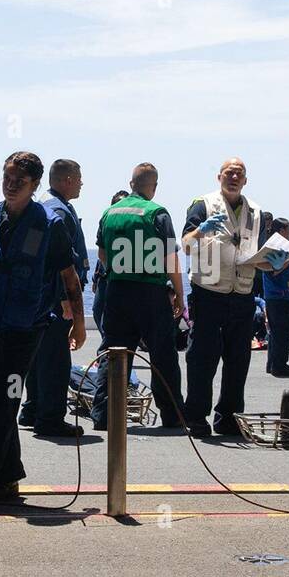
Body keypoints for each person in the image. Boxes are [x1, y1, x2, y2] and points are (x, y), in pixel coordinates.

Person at [0, 152, 86, 504]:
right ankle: (8, 478)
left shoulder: (50, 224)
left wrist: (78, 324)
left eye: (20, 181)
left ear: (34, 185)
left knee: (1, 397)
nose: (11, 185)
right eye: (7, 178)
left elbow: (69, 277)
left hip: (26, 327)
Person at [90, 164, 185, 431]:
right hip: (150, 292)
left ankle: (104, 415)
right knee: (162, 355)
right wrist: (179, 294)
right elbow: (170, 258)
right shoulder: (157, 213)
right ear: (154, 186)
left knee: (113, 353)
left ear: (131, 183)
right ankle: (172, 415)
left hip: (117, 291)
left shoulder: (109, 213)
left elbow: (102, 254)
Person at [180, 157, 270, 438]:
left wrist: (275, 262)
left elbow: (261, 253)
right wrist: (201, 230)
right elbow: (185, 245)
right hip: (208, 293)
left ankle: (229, 418)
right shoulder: (203, 205)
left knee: (238, 360)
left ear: (246, 180)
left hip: (243, 294)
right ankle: (196, 416)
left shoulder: (256, 212)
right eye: (229, 173)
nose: (234, 177)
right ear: (219, 177)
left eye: (239, 174)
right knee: (202, 358)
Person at [20, 158, 89, 438]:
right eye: (79, 178)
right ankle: (49, 418)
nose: (82, 184)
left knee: (39, 357)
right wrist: (64, 298)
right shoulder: (57, 211)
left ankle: (32, 409)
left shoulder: (45, 206)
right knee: (56, 360)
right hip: (55, 298)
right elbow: (59, 260)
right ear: (68, 180)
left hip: (40, 298)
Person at [262, 217, 289, 378]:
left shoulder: (283, 247)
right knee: (281, 333)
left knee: (276, 332)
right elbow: (272, 271)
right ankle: (280, 366)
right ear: (281, 230)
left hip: (283, 295)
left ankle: (272, 364)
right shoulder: (274, 247)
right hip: (278, 296)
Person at [91, 189, 130, 344]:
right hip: (104, 277)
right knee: (97, 311)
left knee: (116, 316)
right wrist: (95, 279)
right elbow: (101, 252)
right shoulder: (106, 221)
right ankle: (107, 344)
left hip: (122, 277)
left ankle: (110, 348)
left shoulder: (132, 225)